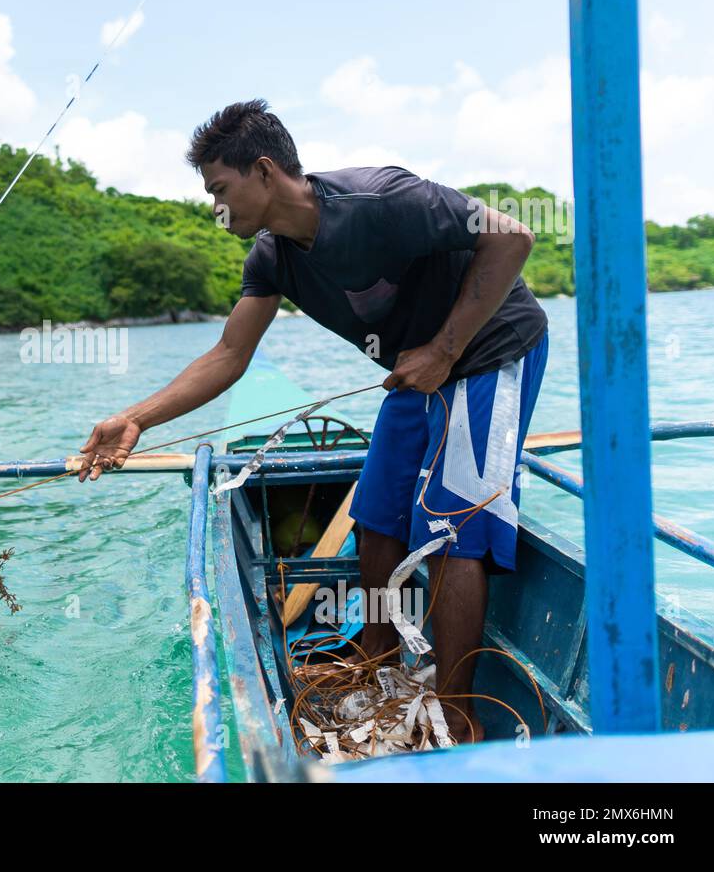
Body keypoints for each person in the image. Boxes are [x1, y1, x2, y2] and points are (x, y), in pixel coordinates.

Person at [77, 99, 549, 744]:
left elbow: (512, 235)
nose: (216, 209)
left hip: (489, 349)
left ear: (265, 171)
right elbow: (228, 354)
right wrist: (136, 419)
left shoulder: (383, 199)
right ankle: (381, 673)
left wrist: (445, 349)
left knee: (451, 526)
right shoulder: (271, 257)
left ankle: (457, 717)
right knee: (378, 518)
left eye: (220, 190)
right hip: (415, 371)